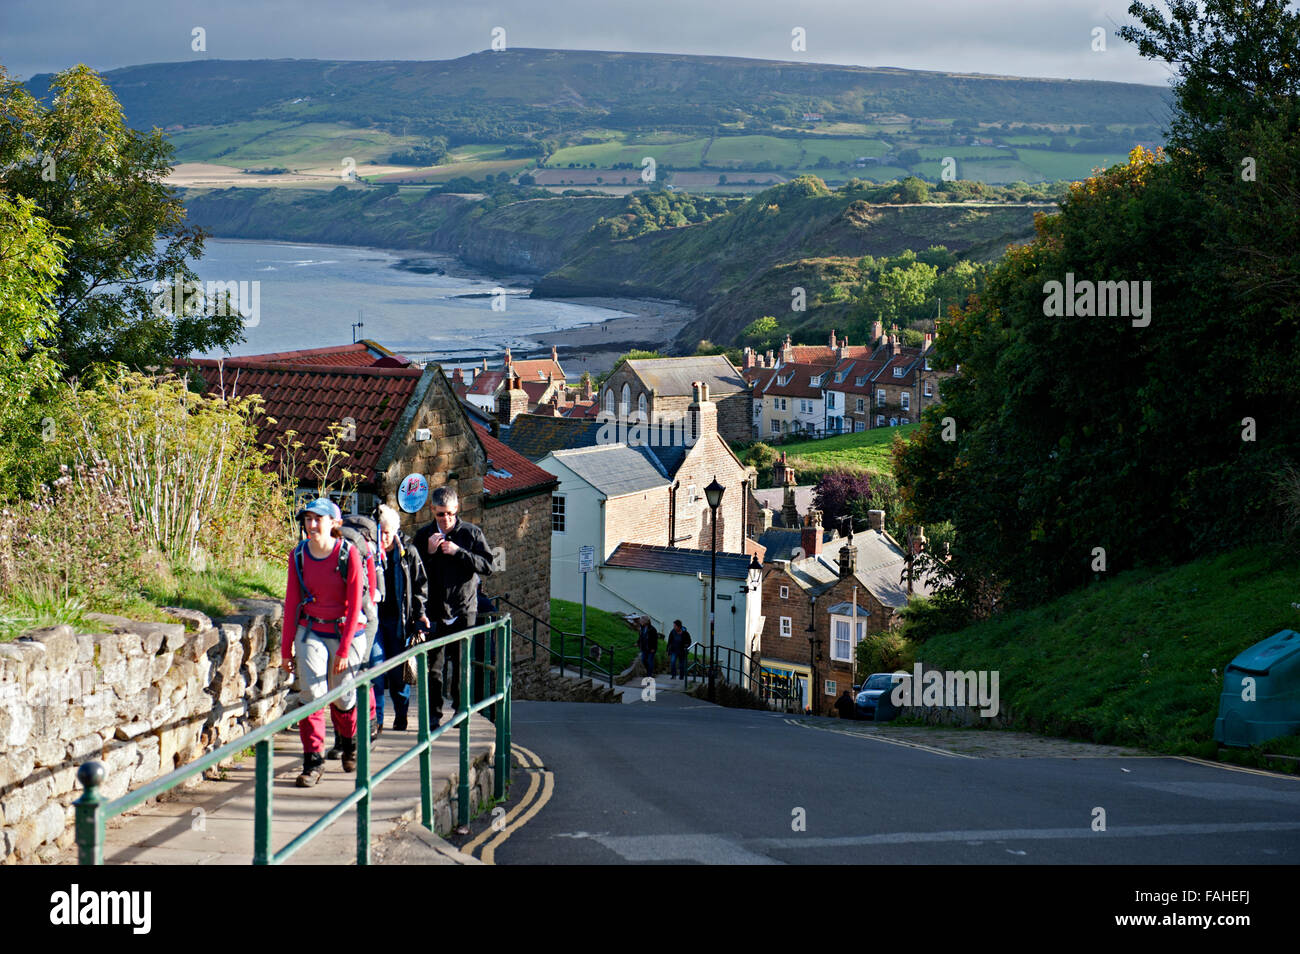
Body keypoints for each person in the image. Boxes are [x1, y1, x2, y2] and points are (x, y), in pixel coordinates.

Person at [281, 498, 367, 788]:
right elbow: (292, 601)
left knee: (343, 697)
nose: (312, 524)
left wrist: (344, 649)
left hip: (347, 631)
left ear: (335, 524)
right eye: (308, 519)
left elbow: (355, 604)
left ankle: (350, 741)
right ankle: (313, 763)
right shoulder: (299, 556)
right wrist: (285, 650)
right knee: (312, 695)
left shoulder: (348, 554)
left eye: (319, 519)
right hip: (311, 630)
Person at [412, 486, 495, 727]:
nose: (446, 519)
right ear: (433, 511)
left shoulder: (472, 533)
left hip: (463, 610)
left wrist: (460, 553)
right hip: (435, 611)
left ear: (457, 509)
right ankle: (433, 715)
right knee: (434, 668)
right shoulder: (423, 536)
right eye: (440, 514)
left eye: (449, 513)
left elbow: (487, 566)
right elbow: (415, 574)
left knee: (461, 665)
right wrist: (428, 553)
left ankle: (461, 712)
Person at [375, 504, 429, 731]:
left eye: (387, 532)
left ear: (395, 531)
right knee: (375, 670)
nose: (383, 537)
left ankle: (401, 714)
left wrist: (420, 615)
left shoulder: (408, 552)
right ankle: (375, 720)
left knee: (399, 674)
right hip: (375, 622)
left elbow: (420, 586)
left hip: (400, 622)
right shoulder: (369, 552)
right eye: (379, 532)